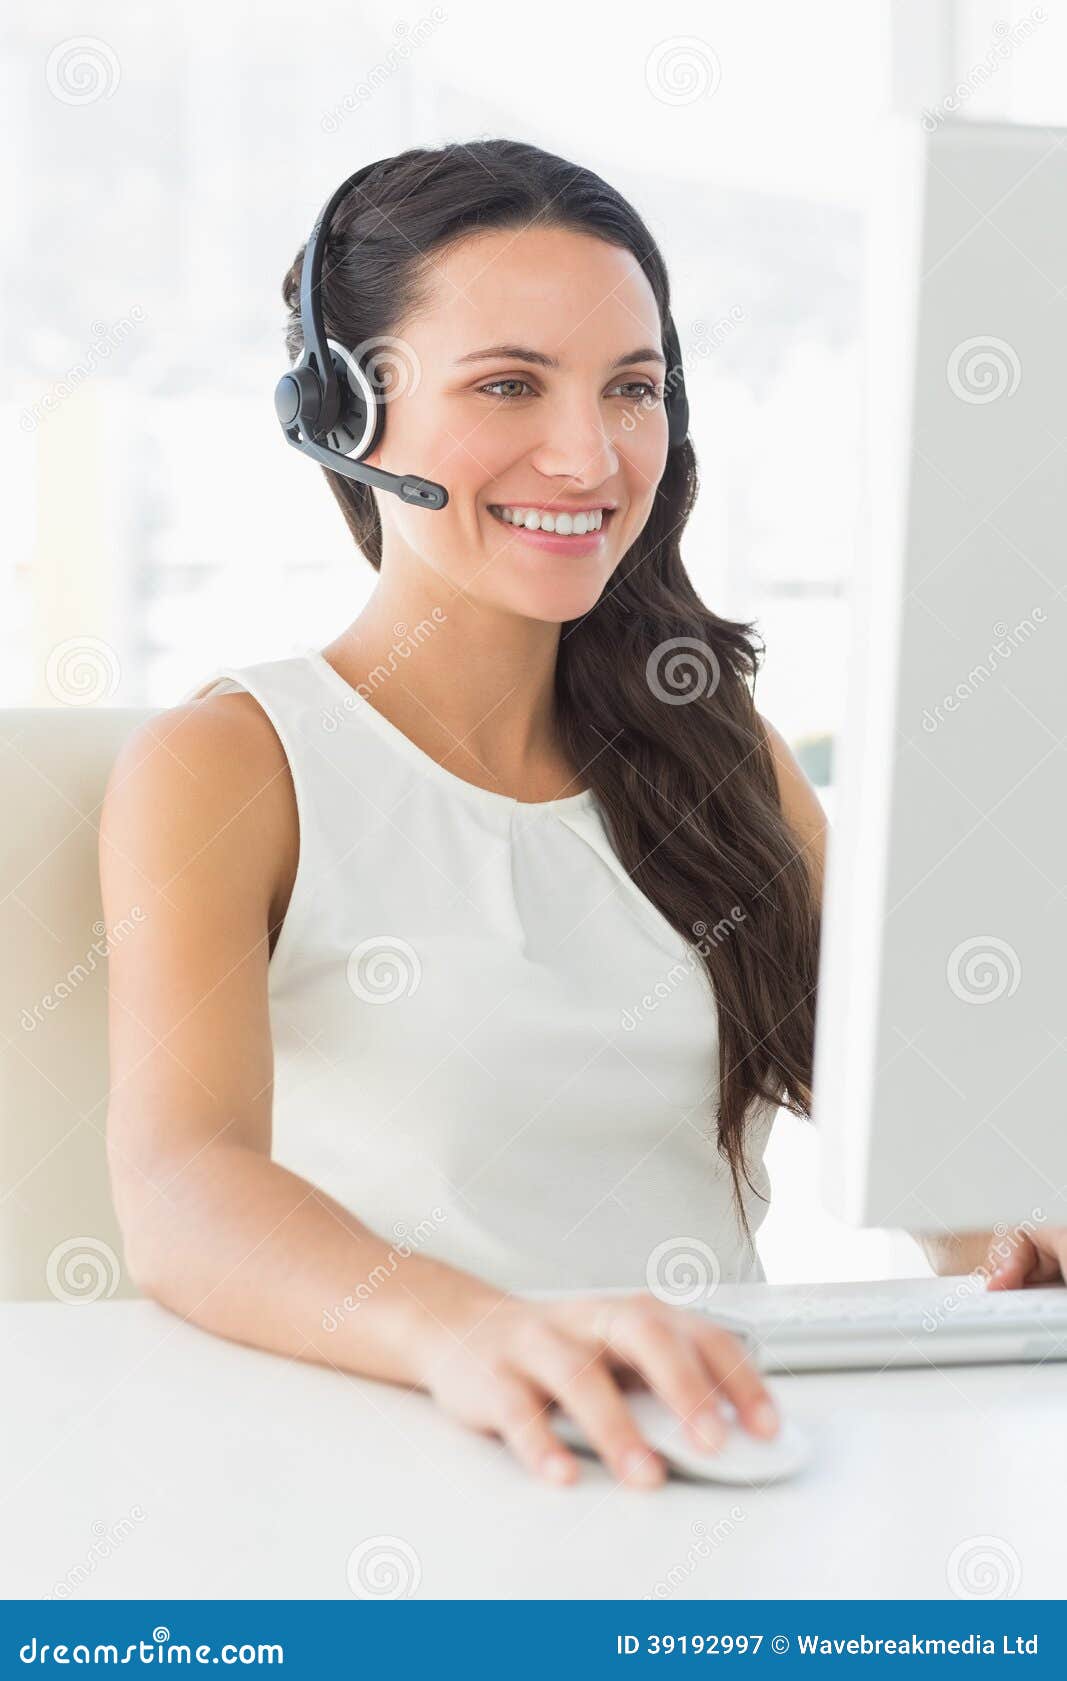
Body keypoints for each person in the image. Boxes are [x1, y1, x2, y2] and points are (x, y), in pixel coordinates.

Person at [99, 139, 831, 1492]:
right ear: (340, 411)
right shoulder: (230, 764)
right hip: (391, 1463)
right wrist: (475, 1329)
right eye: (509, 384)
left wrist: (1007, 1233)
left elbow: (936, 1114)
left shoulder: (729, 756)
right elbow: (183, 1187)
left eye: (633, 388)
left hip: (713, 1461)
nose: (589, 452)